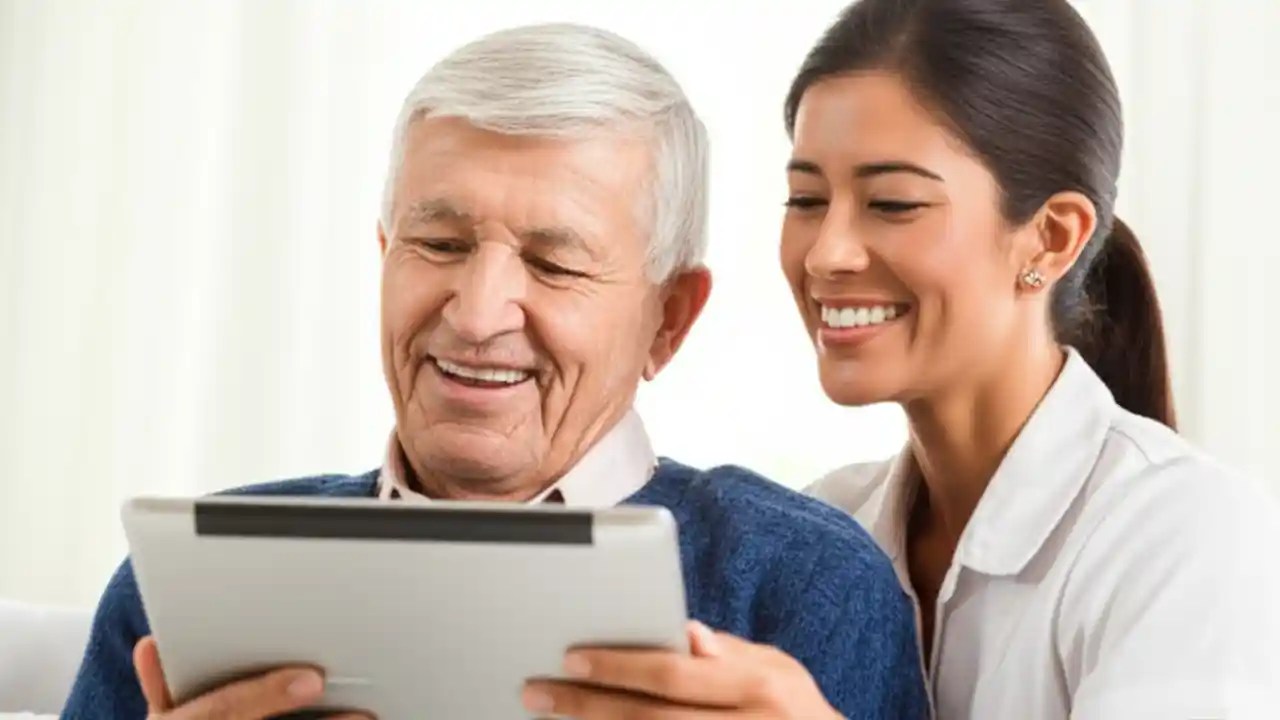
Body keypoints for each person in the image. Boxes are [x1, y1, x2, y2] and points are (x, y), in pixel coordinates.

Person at [61, 23, 928, 720]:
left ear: (669, 319)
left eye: (554, 264)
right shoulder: (187, 594)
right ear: (384, 257)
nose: (476, 316)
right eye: (438, 245)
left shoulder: (804, 587)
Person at [534, 1, 1280, 718]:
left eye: (892, 204)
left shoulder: (1186, 540)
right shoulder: (825, 529)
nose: (827, 253)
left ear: (1051, 239)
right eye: (806, 200)